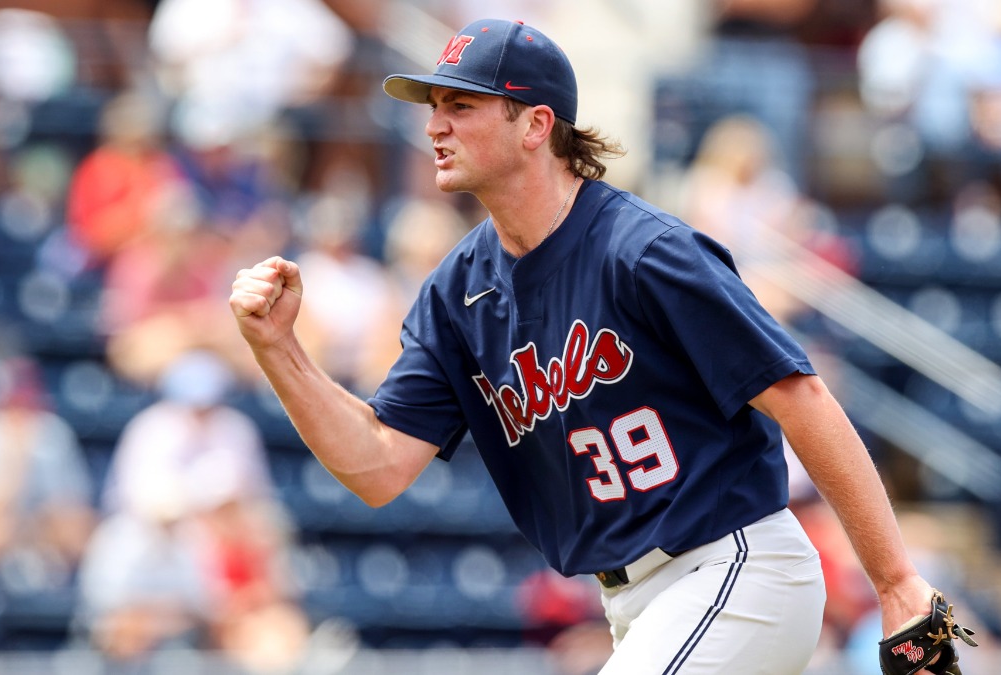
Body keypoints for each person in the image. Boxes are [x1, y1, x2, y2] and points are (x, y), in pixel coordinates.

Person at [230, 18, 960, 674]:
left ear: (534, 124)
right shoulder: (456, 294)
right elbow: (379, 465)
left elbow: (801, 396)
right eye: (433, 107)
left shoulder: (643, 251)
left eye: (461, 105)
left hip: (738, 566)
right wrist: (280, 351)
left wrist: (896, 582)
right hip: (634, 605)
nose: (434, 127)